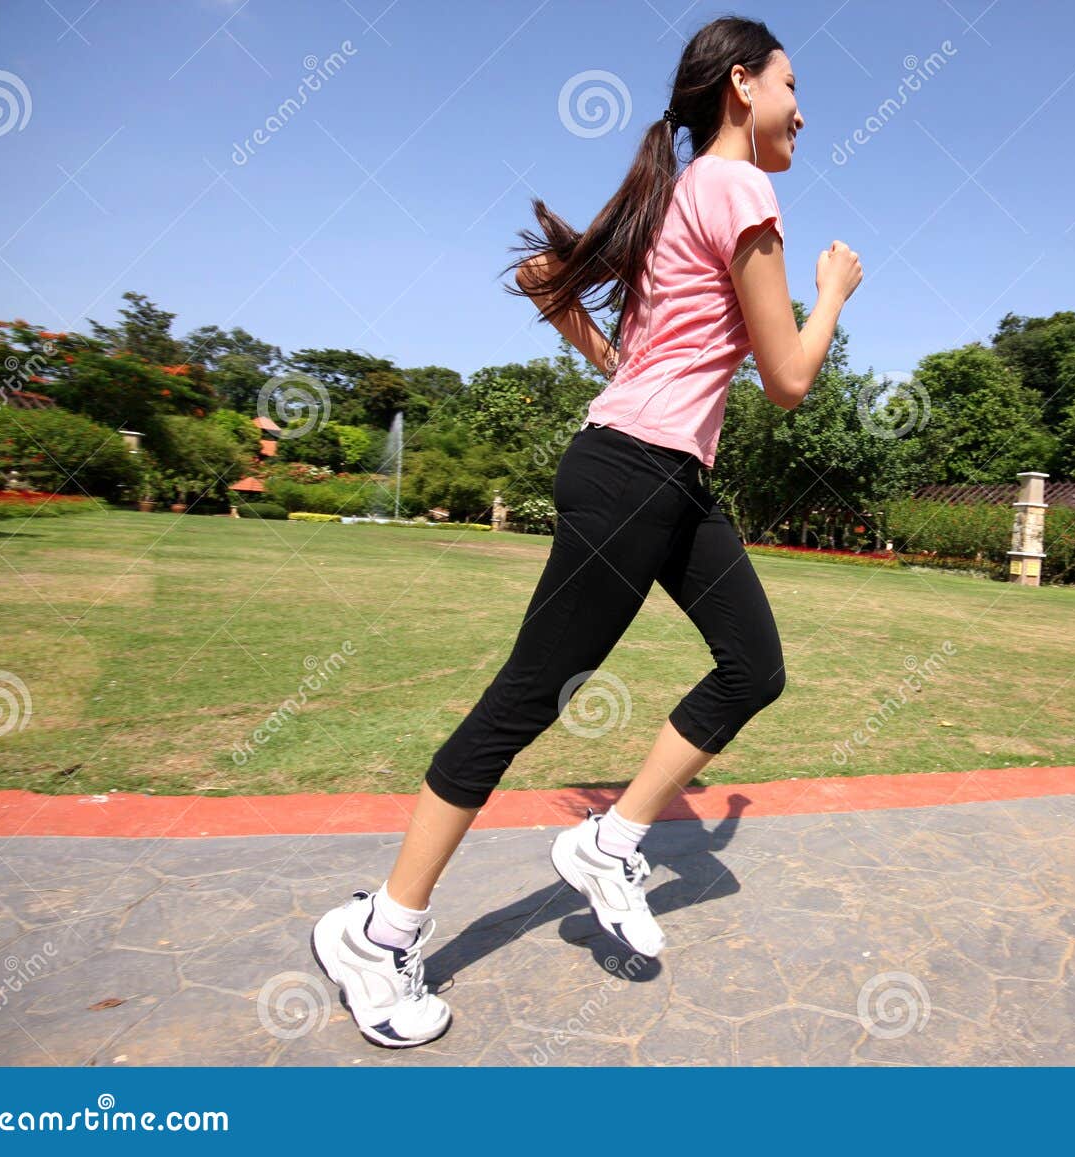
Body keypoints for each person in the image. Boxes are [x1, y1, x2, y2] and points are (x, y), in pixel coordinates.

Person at [310, 14, 862, 1049]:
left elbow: (632, 367)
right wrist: (829, 292)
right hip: (633, 479)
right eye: (792, 85)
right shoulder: (739, 188)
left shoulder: (675, 197)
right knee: (525, 699)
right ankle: (380, 933)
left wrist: (561, 307)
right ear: (741, 85)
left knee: (753, 666)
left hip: (666, 477)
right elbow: (788, 381)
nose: (804, 109)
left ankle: (610, 842)